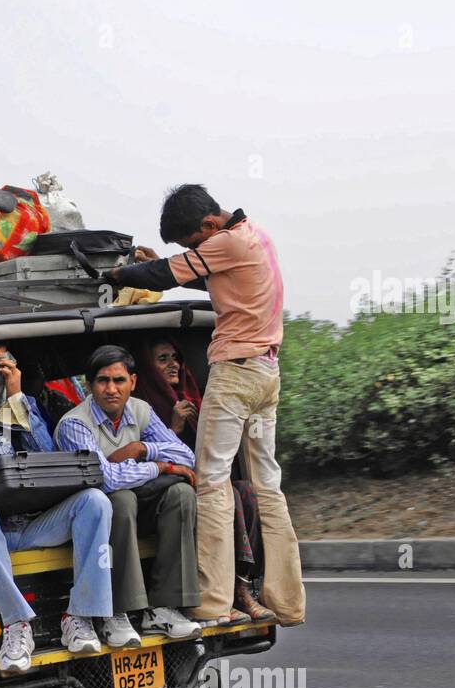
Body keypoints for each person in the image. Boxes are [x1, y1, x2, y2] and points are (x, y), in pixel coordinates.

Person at [106, 184, 305, 626]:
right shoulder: (254, 237)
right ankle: (287, 600)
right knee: (267, 484)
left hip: (234, 375)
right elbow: (196, 275)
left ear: (209, 226)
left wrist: (118, 277)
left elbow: (165, 278)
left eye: (194, 244)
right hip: (266, 375)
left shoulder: (226, 241)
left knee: (212, 482)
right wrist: (158, 265)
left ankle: (212, 600)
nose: (199, 250)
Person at [0, 344, 130, 673]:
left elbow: (47, 454)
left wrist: (17, 399)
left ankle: (80, 616)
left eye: (4, 362)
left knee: (95, 501)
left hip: (34, 524)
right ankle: (16, 624)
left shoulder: (24, 406)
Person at [54, 344, 202, 640]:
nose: (111, 389)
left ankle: (164, 608)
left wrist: (141, 449)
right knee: (119, 499)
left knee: (181, 495)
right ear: (89, 385)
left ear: (132, 382)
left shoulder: (140, 410)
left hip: (138, 508)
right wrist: (160, 468)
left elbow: (186, 455)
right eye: (103, 381)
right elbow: (105, 479)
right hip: (91, 520)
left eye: (119, 380)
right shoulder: (74, 424)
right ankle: (117, 612)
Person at [135, 336, 273, 621]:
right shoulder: (142, 406)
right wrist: (173, 426)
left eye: (176, 358)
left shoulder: (196, 398)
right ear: (149, 369)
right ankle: (229, 596)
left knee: (245, 491)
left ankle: (242, 585)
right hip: (163, 491)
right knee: (228, 496)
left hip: (203, 484)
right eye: (163, 359)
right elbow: (139, 459)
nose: (172, 364)